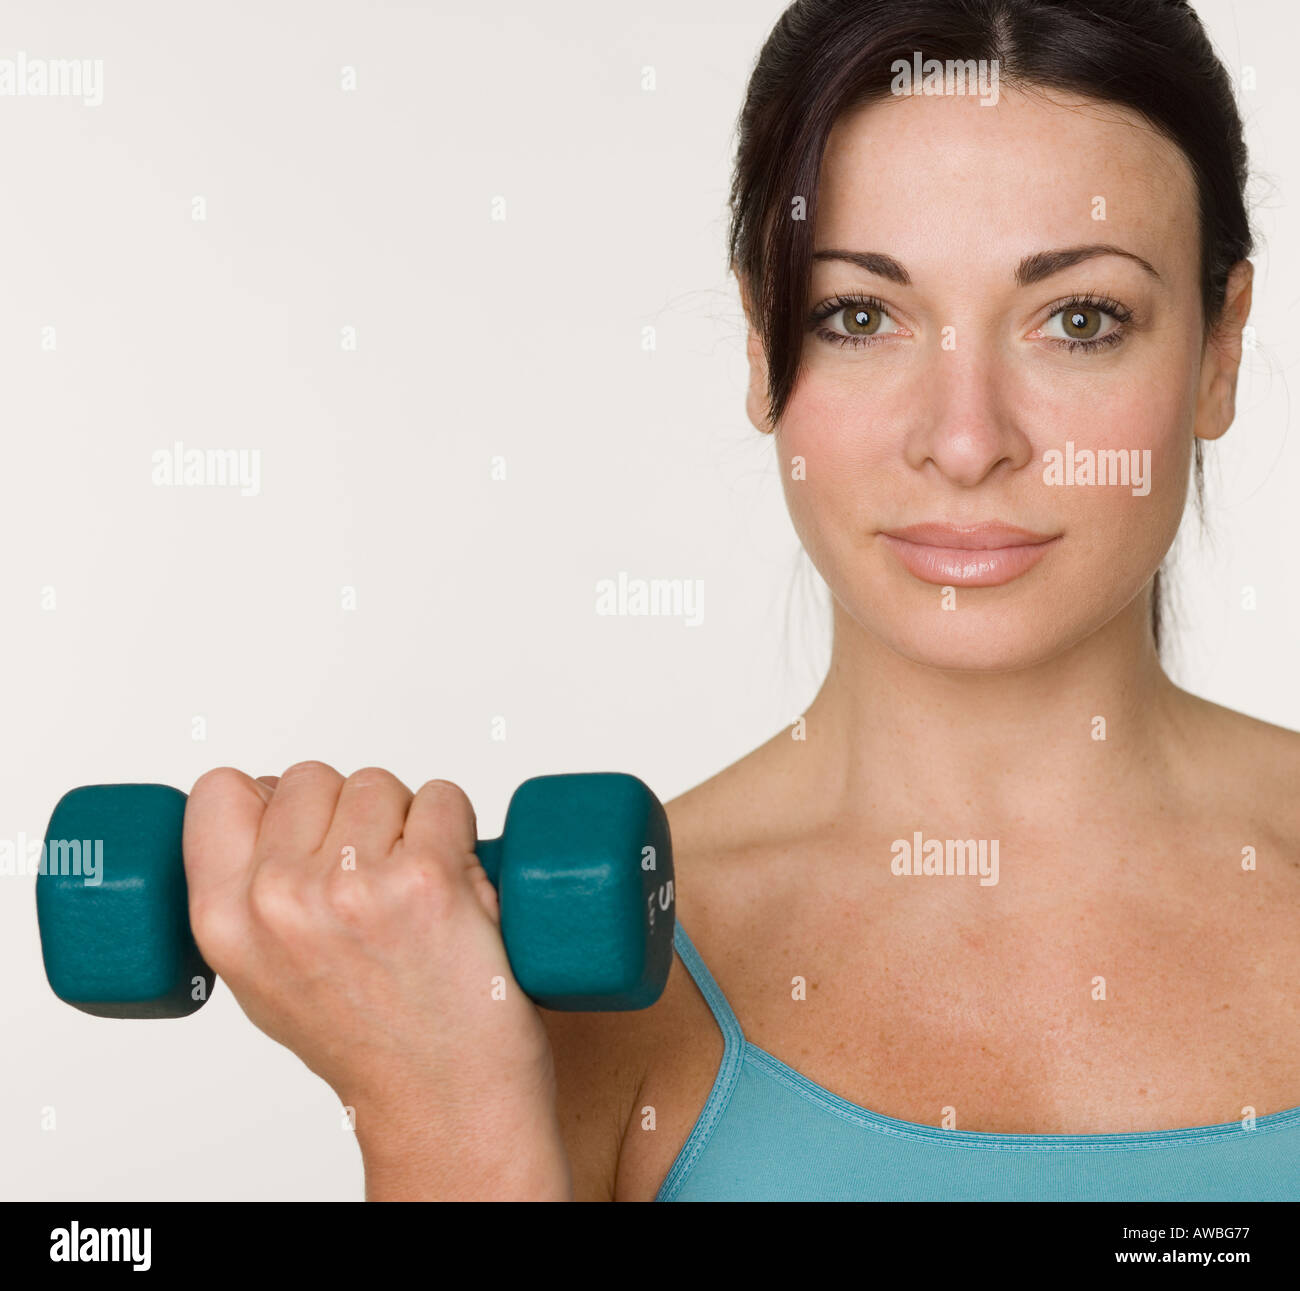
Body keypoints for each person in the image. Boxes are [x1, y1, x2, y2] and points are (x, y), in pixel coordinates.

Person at [182, 0, 1300, 1200]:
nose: (965, 441)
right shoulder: (581, 985)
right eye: (859, 315)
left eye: (1079, 319)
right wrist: (439, 1109)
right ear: (766, 353)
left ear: (1218, 349)